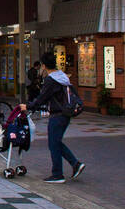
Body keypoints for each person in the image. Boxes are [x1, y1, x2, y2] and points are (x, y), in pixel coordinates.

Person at [19, 51, 85, 184]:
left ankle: (58, 174)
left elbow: (42, 98)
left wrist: (28, 106)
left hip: (57, 115)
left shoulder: (51, 80)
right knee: (56, 142)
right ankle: (75, 164)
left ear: (43, 65)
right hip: (66, 114)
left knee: (53, 144)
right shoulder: (62, 76)